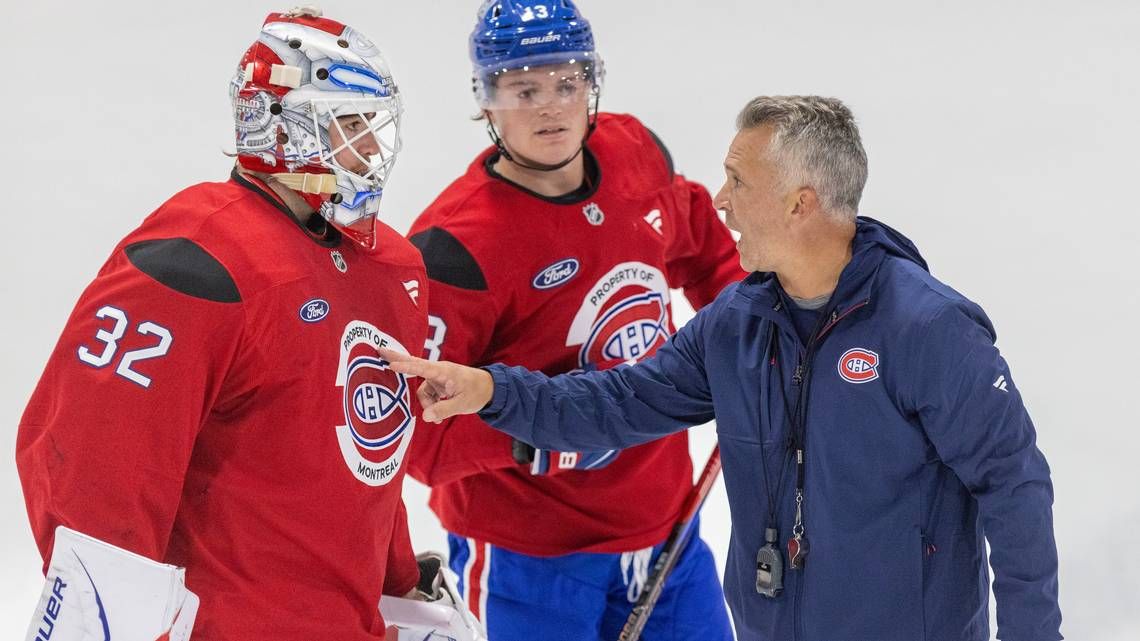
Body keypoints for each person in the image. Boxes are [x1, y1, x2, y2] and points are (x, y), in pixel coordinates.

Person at [383, 96, 1064, 641]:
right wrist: (494, 390)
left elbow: (1015, 486)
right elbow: (617, 402)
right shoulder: (739, 324)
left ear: (800, 203)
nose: (719, 199)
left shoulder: (927, 328)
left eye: (739, 181)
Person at [17, 8, 436, 639]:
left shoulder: (391, 268)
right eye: (351, 124)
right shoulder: (198, 257)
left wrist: (401, 591)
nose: (373, 149)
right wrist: (94, 621)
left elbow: (370, 465)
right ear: (283, 124)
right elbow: (96, 468)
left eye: (374, 126)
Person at [403, 1, 743, 638]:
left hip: (667, 526)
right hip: (529, 557)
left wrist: (759, 343)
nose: (551, 108)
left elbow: (706, 250)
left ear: (592, 84)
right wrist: (542, 439)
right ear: (487, 101)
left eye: (567, 83)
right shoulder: (455, 249)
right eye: (524, 90)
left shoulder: (633, 155)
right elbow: (419, 437)